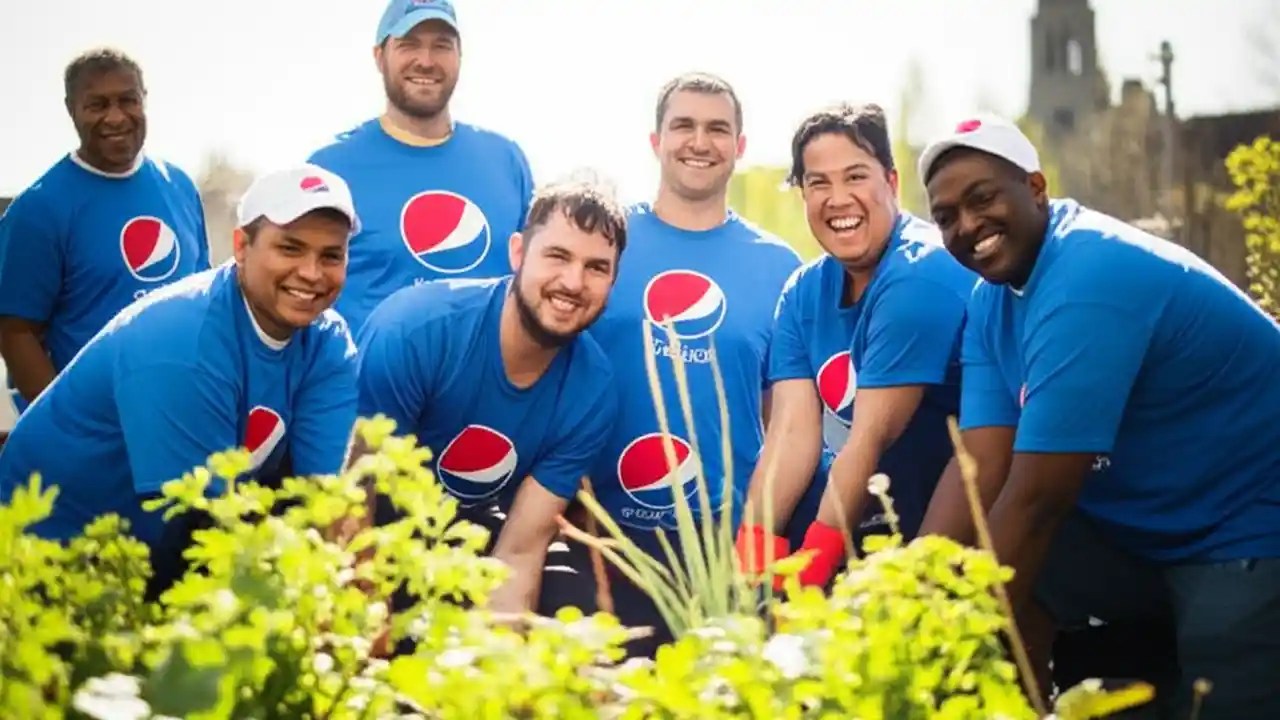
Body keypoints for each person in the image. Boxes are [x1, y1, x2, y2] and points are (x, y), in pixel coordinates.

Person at [916, 114, 1280, 720]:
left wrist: (936, 650)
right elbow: (981, 464)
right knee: (988, 564)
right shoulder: (992, 300)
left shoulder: (1090, 273)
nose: (967, 225)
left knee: (1213, 698)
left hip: (1242, 518)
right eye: (946, 216)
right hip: (1148, 526)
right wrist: (906, 591)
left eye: (982, 199)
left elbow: (1036, 502)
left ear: (1036, 189)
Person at [0, 164, 360, 567]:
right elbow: (195, 535)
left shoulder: (327, 342)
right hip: (48, 550)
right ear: (241, 247)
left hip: (154, 546)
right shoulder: (183, 340)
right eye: (290, 248)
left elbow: (324, 498)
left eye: (331, 255)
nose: (311, 273)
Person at [581, 72, 801, 657]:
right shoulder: (606, 245)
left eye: (717, 129)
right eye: (683, 126)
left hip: (725, 549)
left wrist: (757, 540)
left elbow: (786, 422)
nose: (699, 142)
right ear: (655, 140)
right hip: (603, 538)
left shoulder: (781, 268)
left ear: (740, 147)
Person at [354, 177, 624, 619]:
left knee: (573, 599)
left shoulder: (592, 391)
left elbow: (518, 553)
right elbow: (353, 502)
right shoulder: (416, 330)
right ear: (518, 253)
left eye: (596, 267)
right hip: (375, 524)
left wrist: (496, 673)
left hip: (467, 536)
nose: (573, 282)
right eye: (557, 256)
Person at [736, 102, 976, 591]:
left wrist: (809, 576)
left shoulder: (919, 274)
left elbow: (871, 437)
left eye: (855, 177)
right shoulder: (804, 291)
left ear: (891, 183)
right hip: (864, 508)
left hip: (947, 513)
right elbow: (790, 436)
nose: (837, 198)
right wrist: (750, 557)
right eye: (817, 183)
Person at [0, 47, 210, 417]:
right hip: (92, 424)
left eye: (127, 100)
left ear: (144, 100)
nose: (115, 118)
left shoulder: (178, 185)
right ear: (71, 110)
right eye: (97, 105)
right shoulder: (39, 208)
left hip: (176, 411)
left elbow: (203, 299)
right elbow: (15, 331)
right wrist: (64, 421)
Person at [307, 0, 535, 335]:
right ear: (379, 56)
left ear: (460, 56)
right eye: (408, 44)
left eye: (441, 46)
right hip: (368, 384)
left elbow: (534, 284)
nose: (426, 61)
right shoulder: (330, 170)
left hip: (485, 384)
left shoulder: (506, 162)